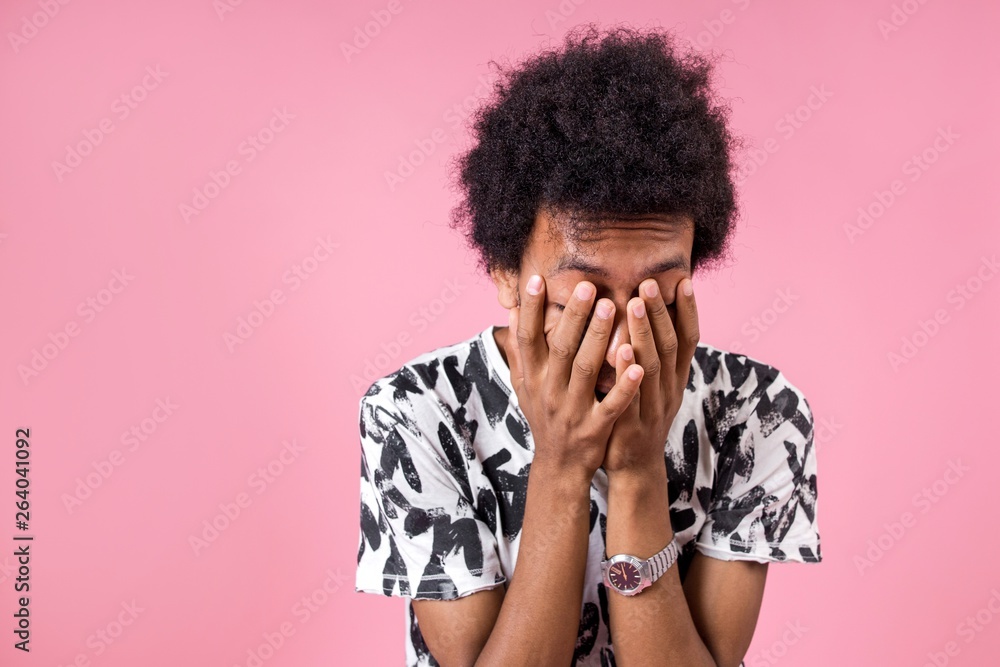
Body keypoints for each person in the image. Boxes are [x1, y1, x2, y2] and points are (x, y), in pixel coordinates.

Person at [354, 23, 821, 667]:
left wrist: (637, 472)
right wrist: (561, 464)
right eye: (585, 295)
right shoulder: (415, 410)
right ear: (506, 274)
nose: (626, 332)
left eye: (658, 290)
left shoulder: (757, 411)